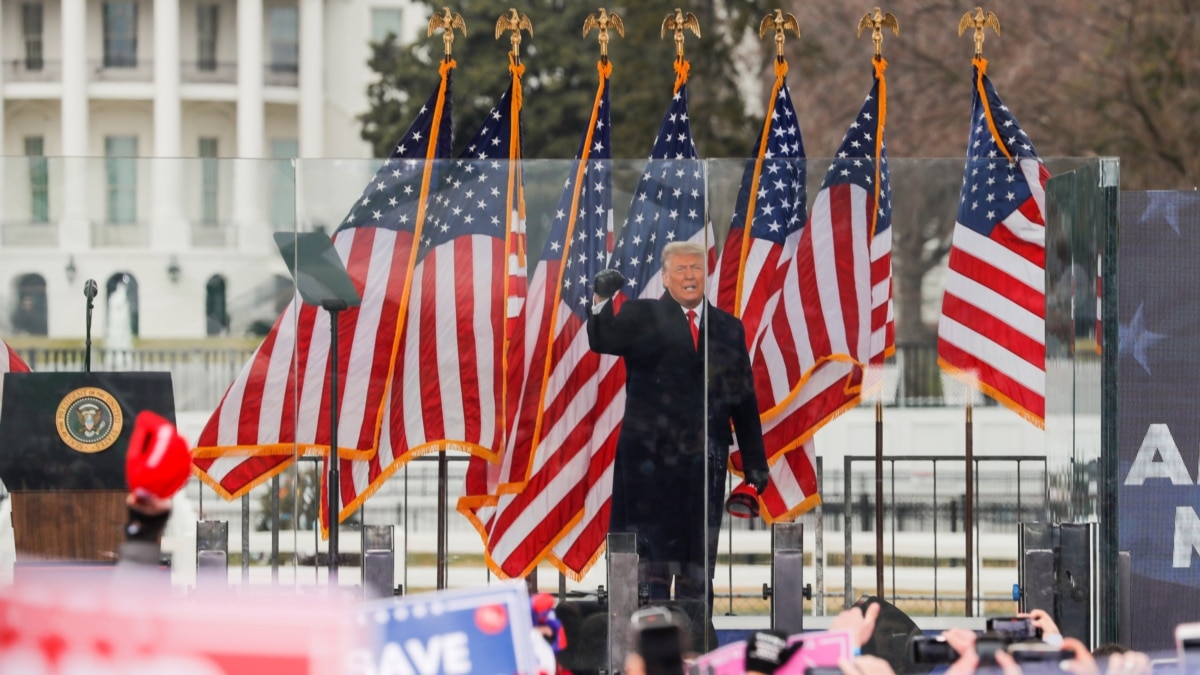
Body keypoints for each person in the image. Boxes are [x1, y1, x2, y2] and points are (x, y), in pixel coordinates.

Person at [588, 240, 769, 613]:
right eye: (681, 270)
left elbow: (744, 400)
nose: (690, 276)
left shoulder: (728, 328)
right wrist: (603, 299)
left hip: (706, 460)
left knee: (696, 564)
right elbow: (602, 340)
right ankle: (644, 645)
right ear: (666, 278)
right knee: (648, 561)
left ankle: (695, 645)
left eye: (696, 268)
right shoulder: (641, 316)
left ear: (706, 274)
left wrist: (755, 464)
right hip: (649, 464)